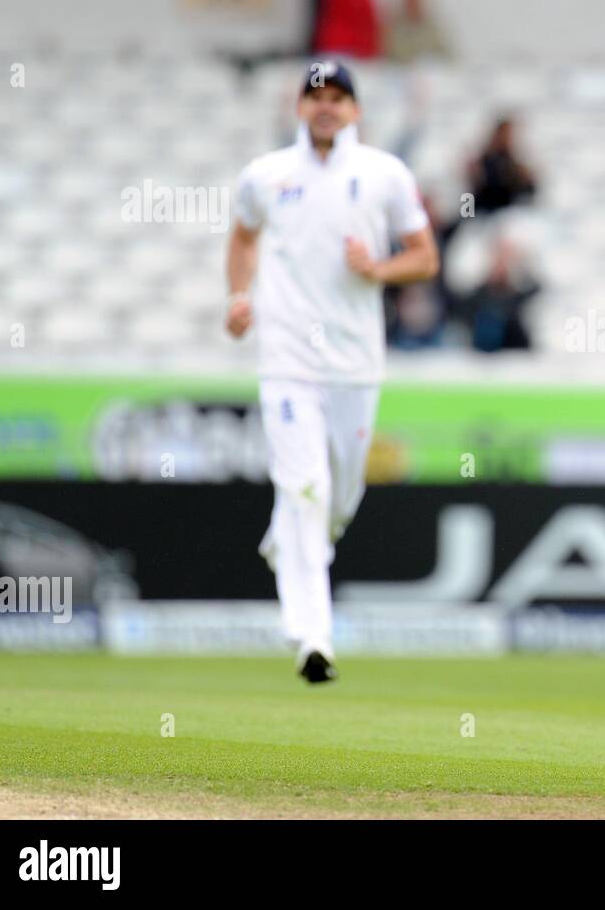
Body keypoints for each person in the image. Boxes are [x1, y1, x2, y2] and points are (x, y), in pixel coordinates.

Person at [225, 61, 440, 683]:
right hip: (287, 360)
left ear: (356, 110)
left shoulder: (384, 174)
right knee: (305, 489)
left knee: (337, 498)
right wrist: (239, 298)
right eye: (315, 96)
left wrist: (377, 268)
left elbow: (424, 257)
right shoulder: (266, 175)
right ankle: (312, 638)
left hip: (355, 364)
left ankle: (285, 542)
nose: (326, 106)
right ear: (299, 107)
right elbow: (242, 240)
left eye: (338, 97)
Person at [467, 117, 537, 215]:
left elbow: (529, 190)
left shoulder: (513, 162)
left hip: (506, 211)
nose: (508, 138)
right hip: (485, 210)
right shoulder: (486, 159)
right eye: (505, 134)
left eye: (509, 134)